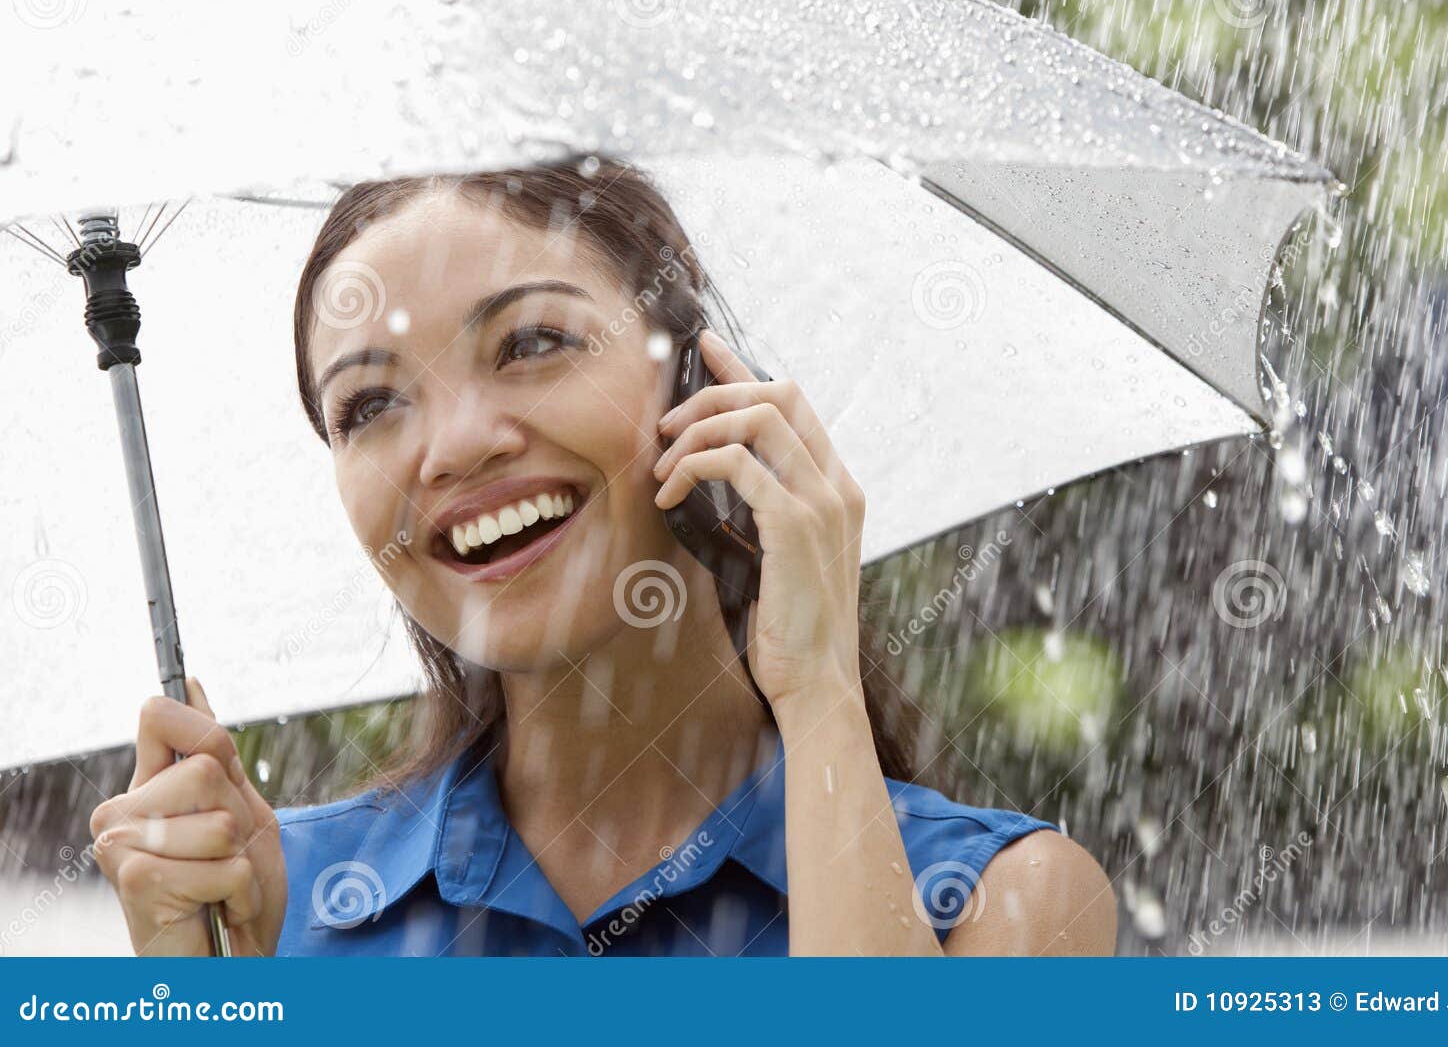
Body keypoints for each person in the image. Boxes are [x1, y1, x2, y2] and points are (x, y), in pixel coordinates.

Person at [89, 157, 1116, 956]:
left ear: (700, 381)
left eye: (531, 343)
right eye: (371, 403)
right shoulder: (274, 905)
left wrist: (817, 686)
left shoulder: (1005, 902)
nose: (453, 446)